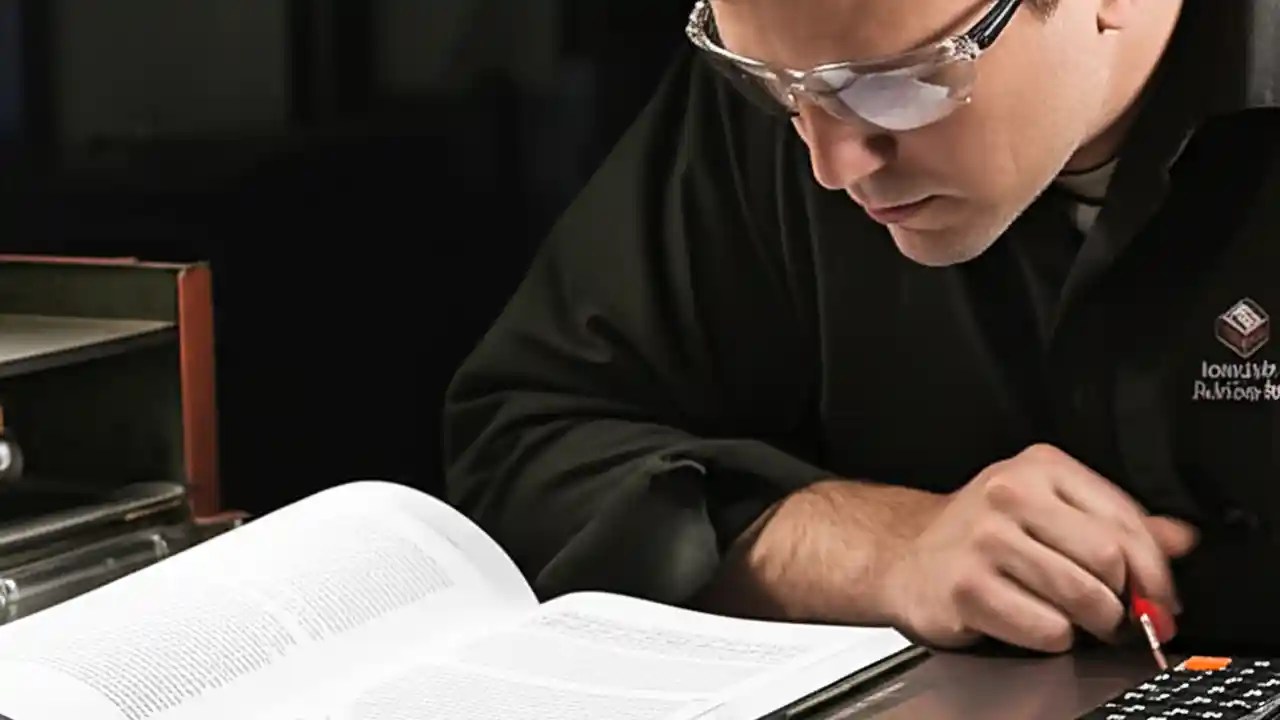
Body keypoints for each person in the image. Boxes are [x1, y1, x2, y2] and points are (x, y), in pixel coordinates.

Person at [444, 0, 1280, 655]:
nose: (830, 166)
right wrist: (882, 552)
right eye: (768, 83)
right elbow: (521, 450)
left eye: (895, 84)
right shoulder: (802, 77)